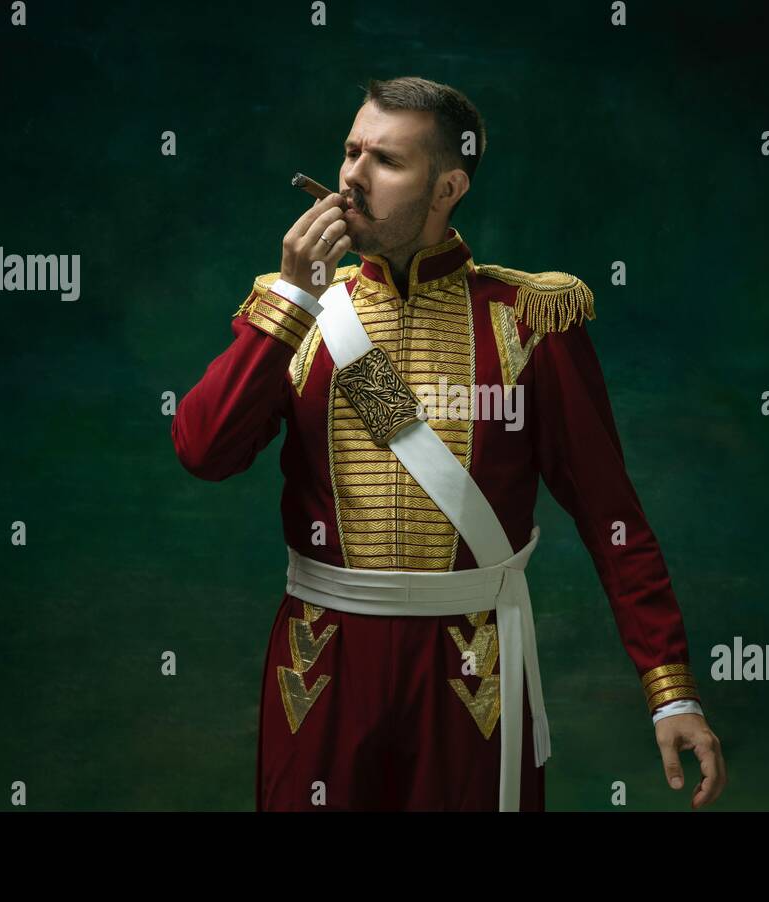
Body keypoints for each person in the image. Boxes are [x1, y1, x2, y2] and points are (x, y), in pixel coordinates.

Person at [171, 76, 726, 811]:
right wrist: (294, 301)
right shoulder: (298, 309)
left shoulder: (529, 319)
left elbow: (611, 516)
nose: (351, 177)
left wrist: (670, 691)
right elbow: (203, 451)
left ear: (449, 185)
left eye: (386, 162)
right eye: (350, 152)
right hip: (321, 670)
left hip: (474, 673)